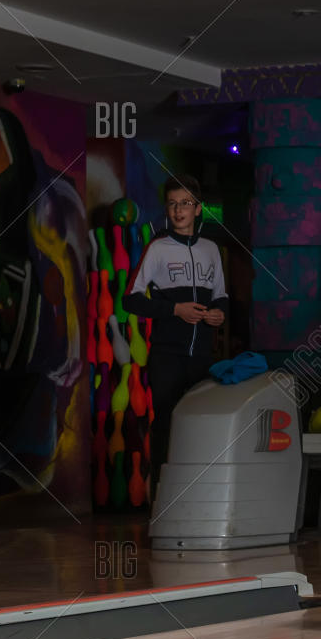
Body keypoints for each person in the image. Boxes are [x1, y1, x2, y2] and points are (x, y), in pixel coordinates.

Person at [124, 177, 228, 496]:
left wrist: (219, 314)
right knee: (167, 424)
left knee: (197, 424)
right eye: (172, 203)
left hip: (202, 357)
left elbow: (221, 296)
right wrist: (174, 310)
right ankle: (161, 496)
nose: (178, 210)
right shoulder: (158, 248)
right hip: (167, 355)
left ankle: (196, 496)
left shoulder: (211, 249)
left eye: (185, 203)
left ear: (198, 209)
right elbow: (131, 299)